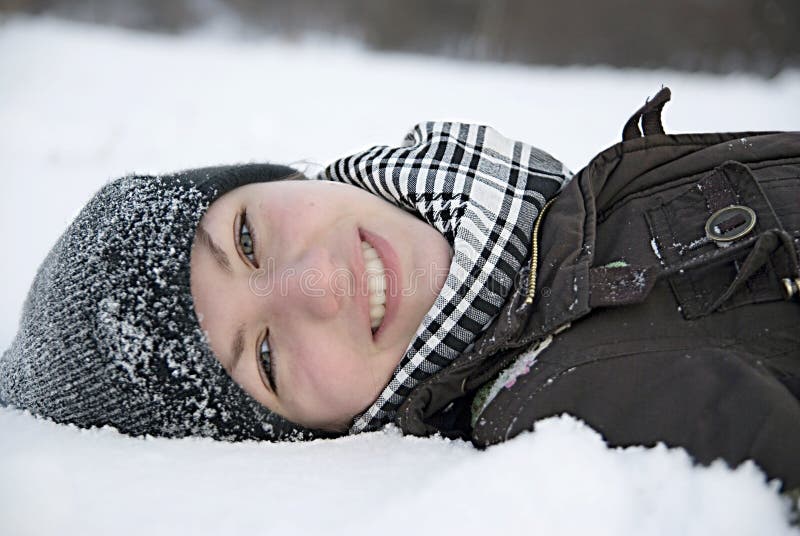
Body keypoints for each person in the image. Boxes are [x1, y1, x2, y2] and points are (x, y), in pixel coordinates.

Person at [1, 89, 798, 491]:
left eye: (246, 239)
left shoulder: (564, 215)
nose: (317, 282)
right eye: (268, 358)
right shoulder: (573, 413)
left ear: (281, 179)